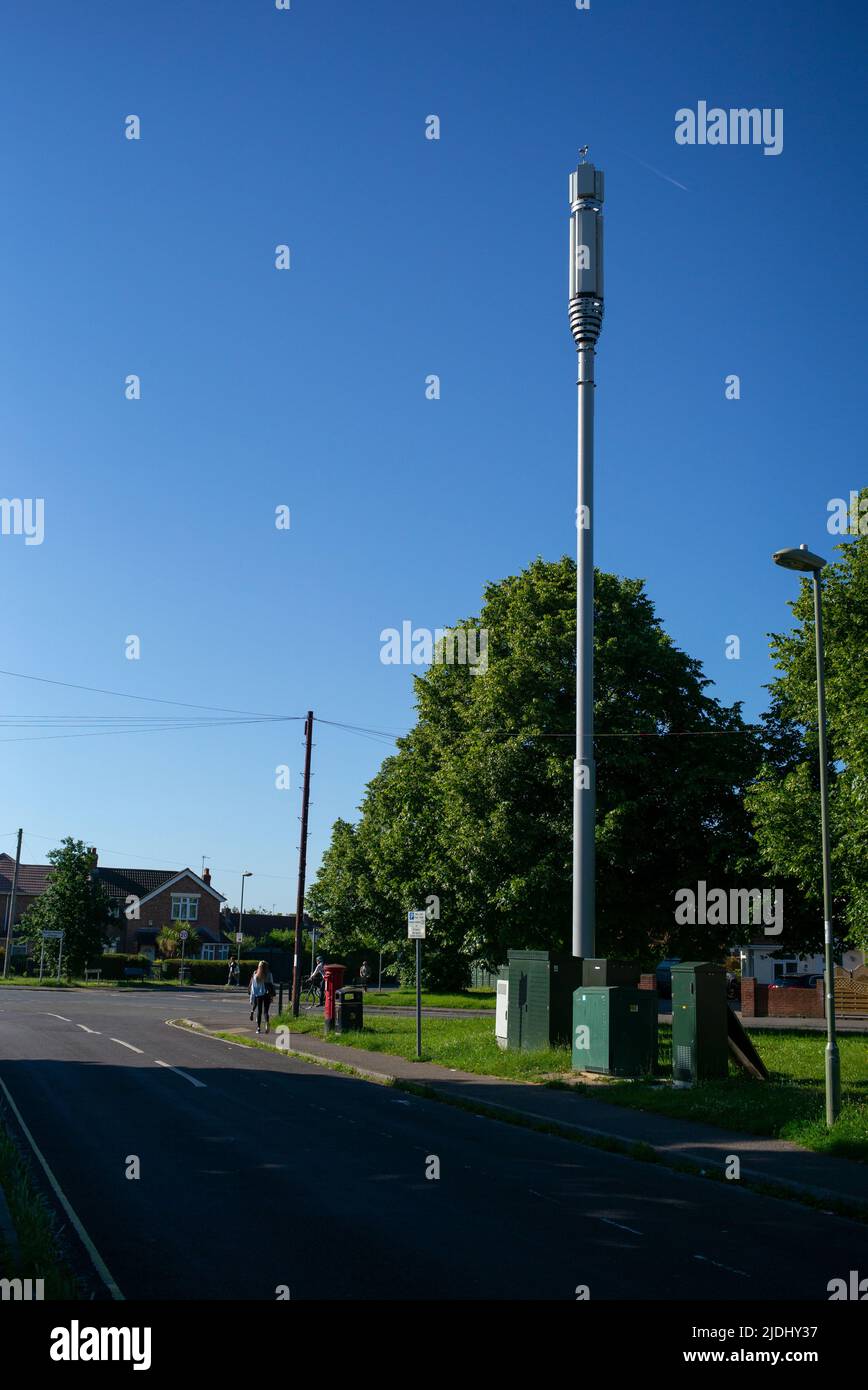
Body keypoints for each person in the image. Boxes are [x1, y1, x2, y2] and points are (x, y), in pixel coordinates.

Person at [249, 960, 275, 1034]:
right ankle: (267, 1024)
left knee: (259, 1012)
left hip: (258, 995)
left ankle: (258, 1028)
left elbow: (253, 988)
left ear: (259, 966)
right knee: (266, 1011)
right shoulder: (269, 974)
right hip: (267, 994)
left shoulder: (256, 974)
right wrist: (272, 997)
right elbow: (272, 985)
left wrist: (252, 997)